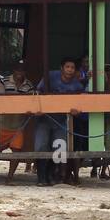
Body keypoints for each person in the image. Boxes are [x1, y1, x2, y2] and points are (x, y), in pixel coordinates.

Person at [35, 56, 87, 186]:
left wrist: (77, 110)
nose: (70, 70)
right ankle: (41, 177)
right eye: (67, 67)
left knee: (60, 147)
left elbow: (81, 103)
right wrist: (38, 107)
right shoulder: (50, 76)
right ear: (61, 68)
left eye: (72, 67)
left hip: (62, 120)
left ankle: (52, 174)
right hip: (45, 118)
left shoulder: (77, 85)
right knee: (41, 146)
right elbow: (38, 92)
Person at [0, 60, 36, 184]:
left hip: (18, 125)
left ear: (25, 72)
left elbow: (30, 102)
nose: (19, 72)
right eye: (18, 69)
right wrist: (19, 103)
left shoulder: (29, 85)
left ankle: (10, 177)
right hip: (2, 123)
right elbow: (1, 99)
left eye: (22, 70)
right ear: (14, 70)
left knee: (16, 151)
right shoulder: (4, 81)